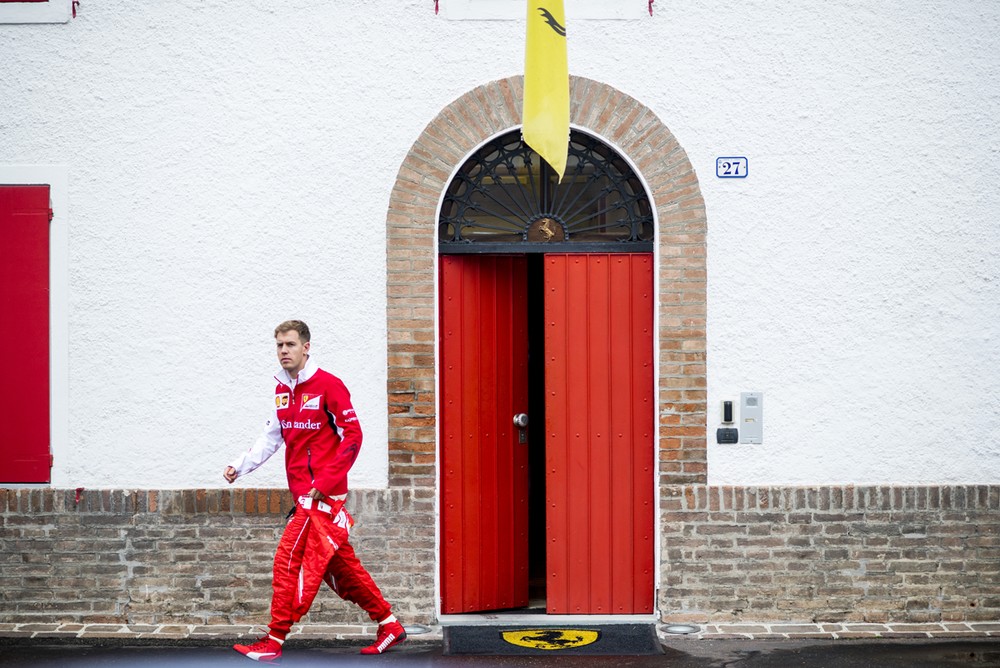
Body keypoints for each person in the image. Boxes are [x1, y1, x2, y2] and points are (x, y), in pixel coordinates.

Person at [224, 320, 406, 663]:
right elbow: (272, 437)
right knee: (341, 565)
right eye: (279, 345)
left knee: (288, 560)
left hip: (321, 494)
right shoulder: (282, 389)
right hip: (303, 495)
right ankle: (389, 623)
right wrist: (240, 465)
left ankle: (274, 640)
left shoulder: (329, 385)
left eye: (290, 344)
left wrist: (323, 484)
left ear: (306, 347)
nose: (283, 351)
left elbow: (353, 436)